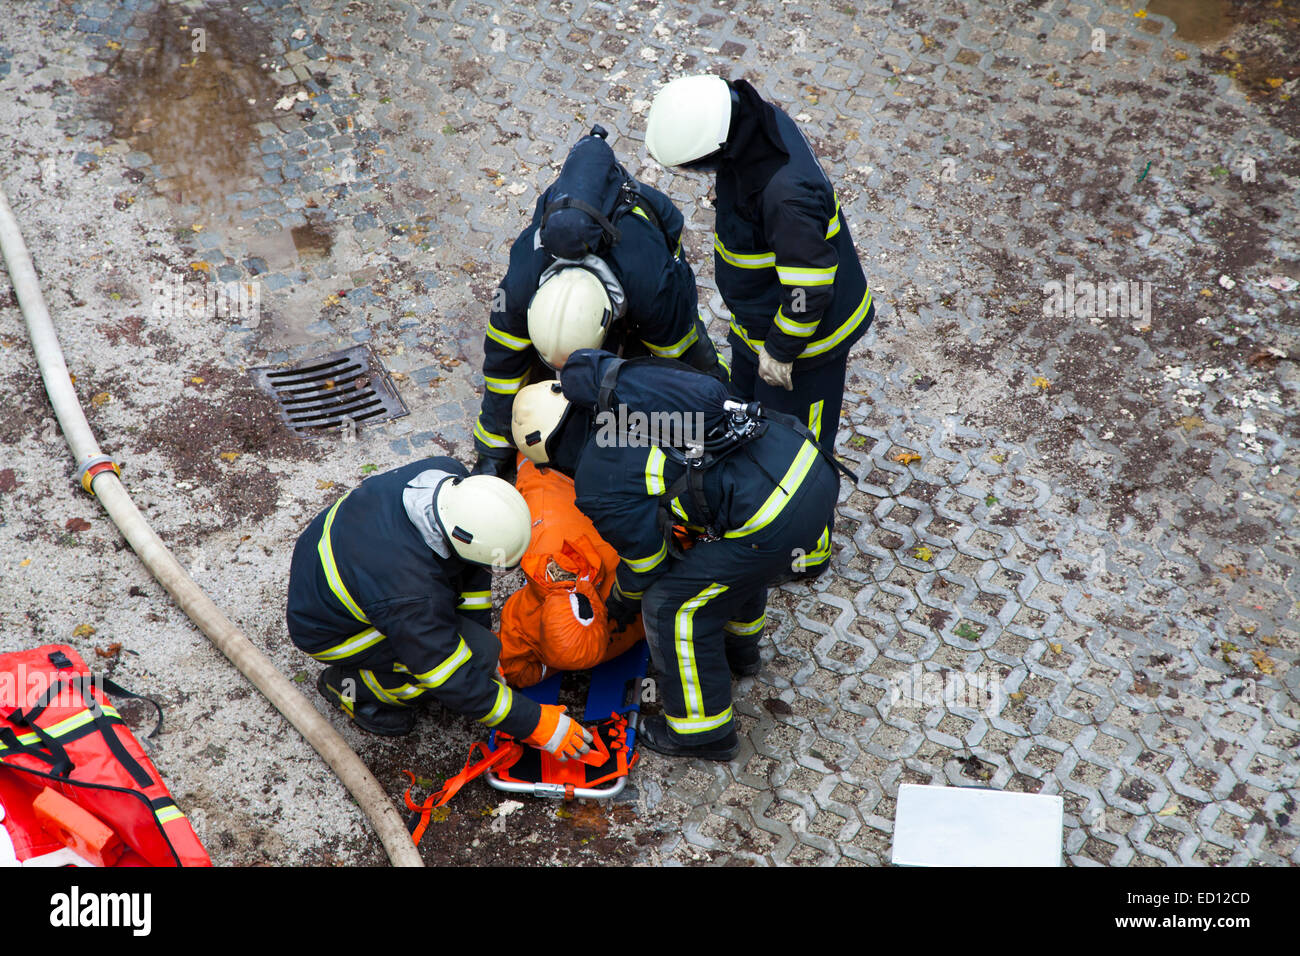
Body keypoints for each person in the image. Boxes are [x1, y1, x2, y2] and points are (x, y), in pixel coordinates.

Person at [509, 350, 840, 761]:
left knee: (672, 606)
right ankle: (742, 650)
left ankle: (702, 732)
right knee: (725, 558)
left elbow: (649, 563)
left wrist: (619, 603)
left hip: (774, 517)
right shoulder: (632, 401)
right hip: (808, 465)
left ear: (551, 456)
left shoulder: (594, 478)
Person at [285, 457, 593, 761]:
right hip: (331, 630)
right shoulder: (410, 594)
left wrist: (480, 644)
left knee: (481, 652)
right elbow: (448, 677)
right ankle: (349, 687)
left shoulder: (450, 481)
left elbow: (471, 570)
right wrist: (535, 723)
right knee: (434, 672)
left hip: (336, 566)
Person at [471, 126, 726, 482]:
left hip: (650, 253)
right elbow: (501, 370)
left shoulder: (651, 284)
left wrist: (713, 414)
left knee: (655, 366)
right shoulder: (519, 286)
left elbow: (684, 361)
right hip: (576, 246)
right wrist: (491, 454)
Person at [644, 74, 874, 456]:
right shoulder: (750, 123)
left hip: (808, 345)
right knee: (743, 417)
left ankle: (806, 515)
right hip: (758, 322)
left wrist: (782, 350)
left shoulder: (786, 198)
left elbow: (809, 286)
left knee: (798, 450)